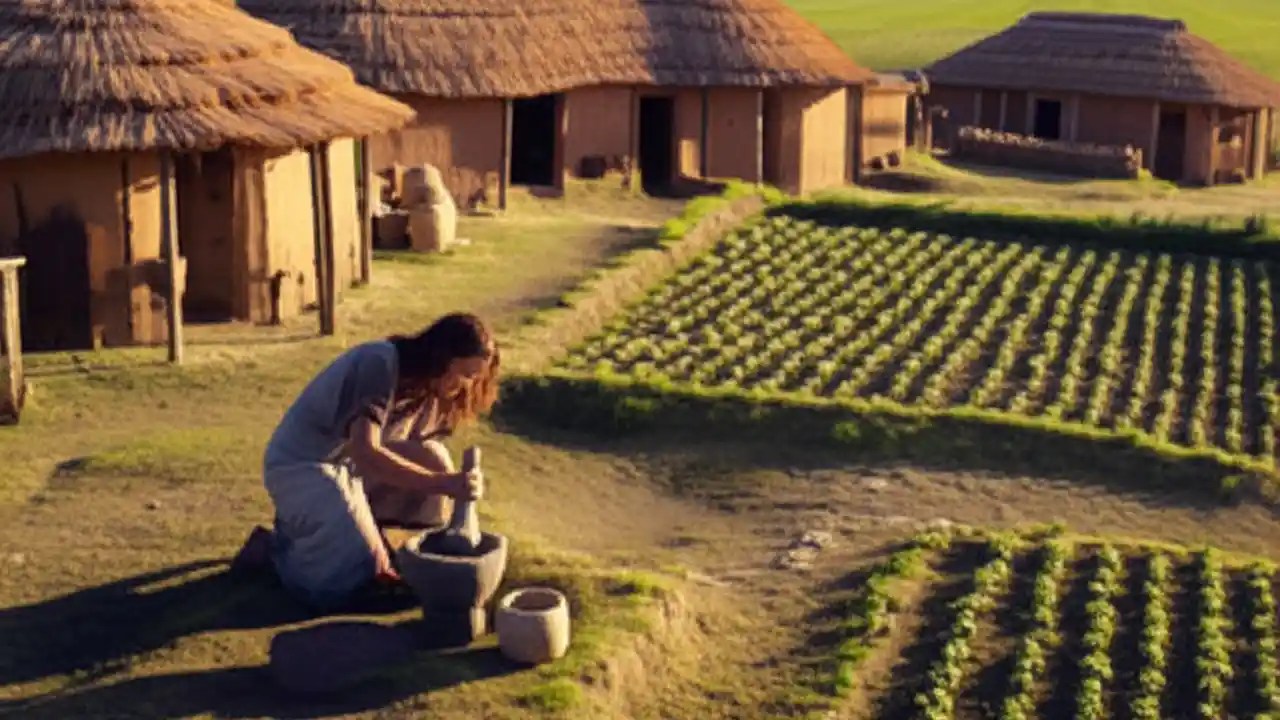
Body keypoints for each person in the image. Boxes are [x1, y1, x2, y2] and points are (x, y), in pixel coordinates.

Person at [235, 313, 501, 611]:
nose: (466, 386)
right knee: (345, 583)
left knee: (435, 458)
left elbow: (403, 451)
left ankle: (357, 538)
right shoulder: (379, 364)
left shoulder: (423, 388)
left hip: (347, 470)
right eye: (466, 374)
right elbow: (366, 452)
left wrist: (444, 481)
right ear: (443, 358)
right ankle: (275, 552)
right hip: (301, 466)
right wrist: (444, 483)